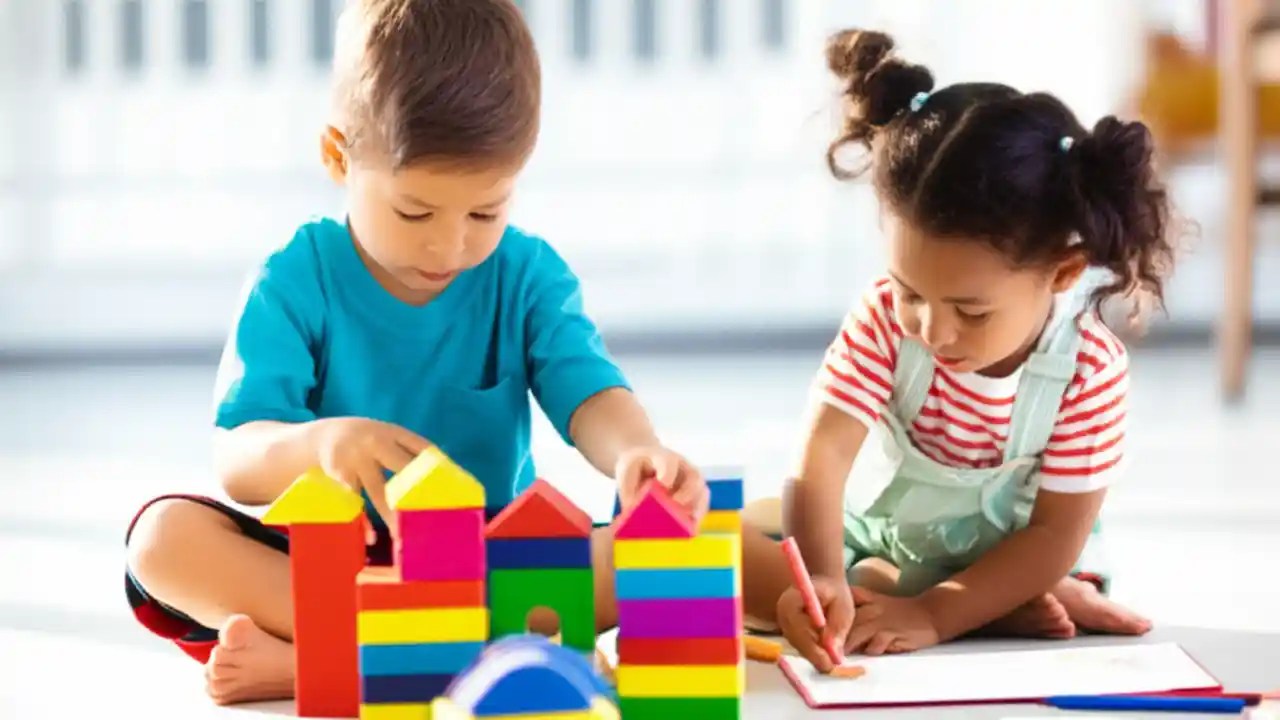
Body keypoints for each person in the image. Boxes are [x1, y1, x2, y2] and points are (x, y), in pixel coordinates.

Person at [122, 0, 708, 705]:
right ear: (338, 157)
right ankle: (454, 655)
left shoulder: (527, 276)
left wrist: (635, 450)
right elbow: (238, 459)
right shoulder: (294, 280)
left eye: (485, 212)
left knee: (664, 545)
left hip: (487, 559)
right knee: (160, 541)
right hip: (334, 560)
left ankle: (327, 664)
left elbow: (589, 392)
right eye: (414, 211)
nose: (449, 246)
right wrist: (320, 443)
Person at [743, 29, 1182, 671]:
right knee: (718, 548)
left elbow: (1054, 535)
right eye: (910, 292)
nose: (932, 329)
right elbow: (823, 458)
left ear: (1063, 272)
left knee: (1020, 575)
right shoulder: (882, 319)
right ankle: (908, 595)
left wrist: (935, 614)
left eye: (971, 312)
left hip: (1016, 562)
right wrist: (821, 581)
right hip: (872, 542)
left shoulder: (1088, 370)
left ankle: (973, 601)